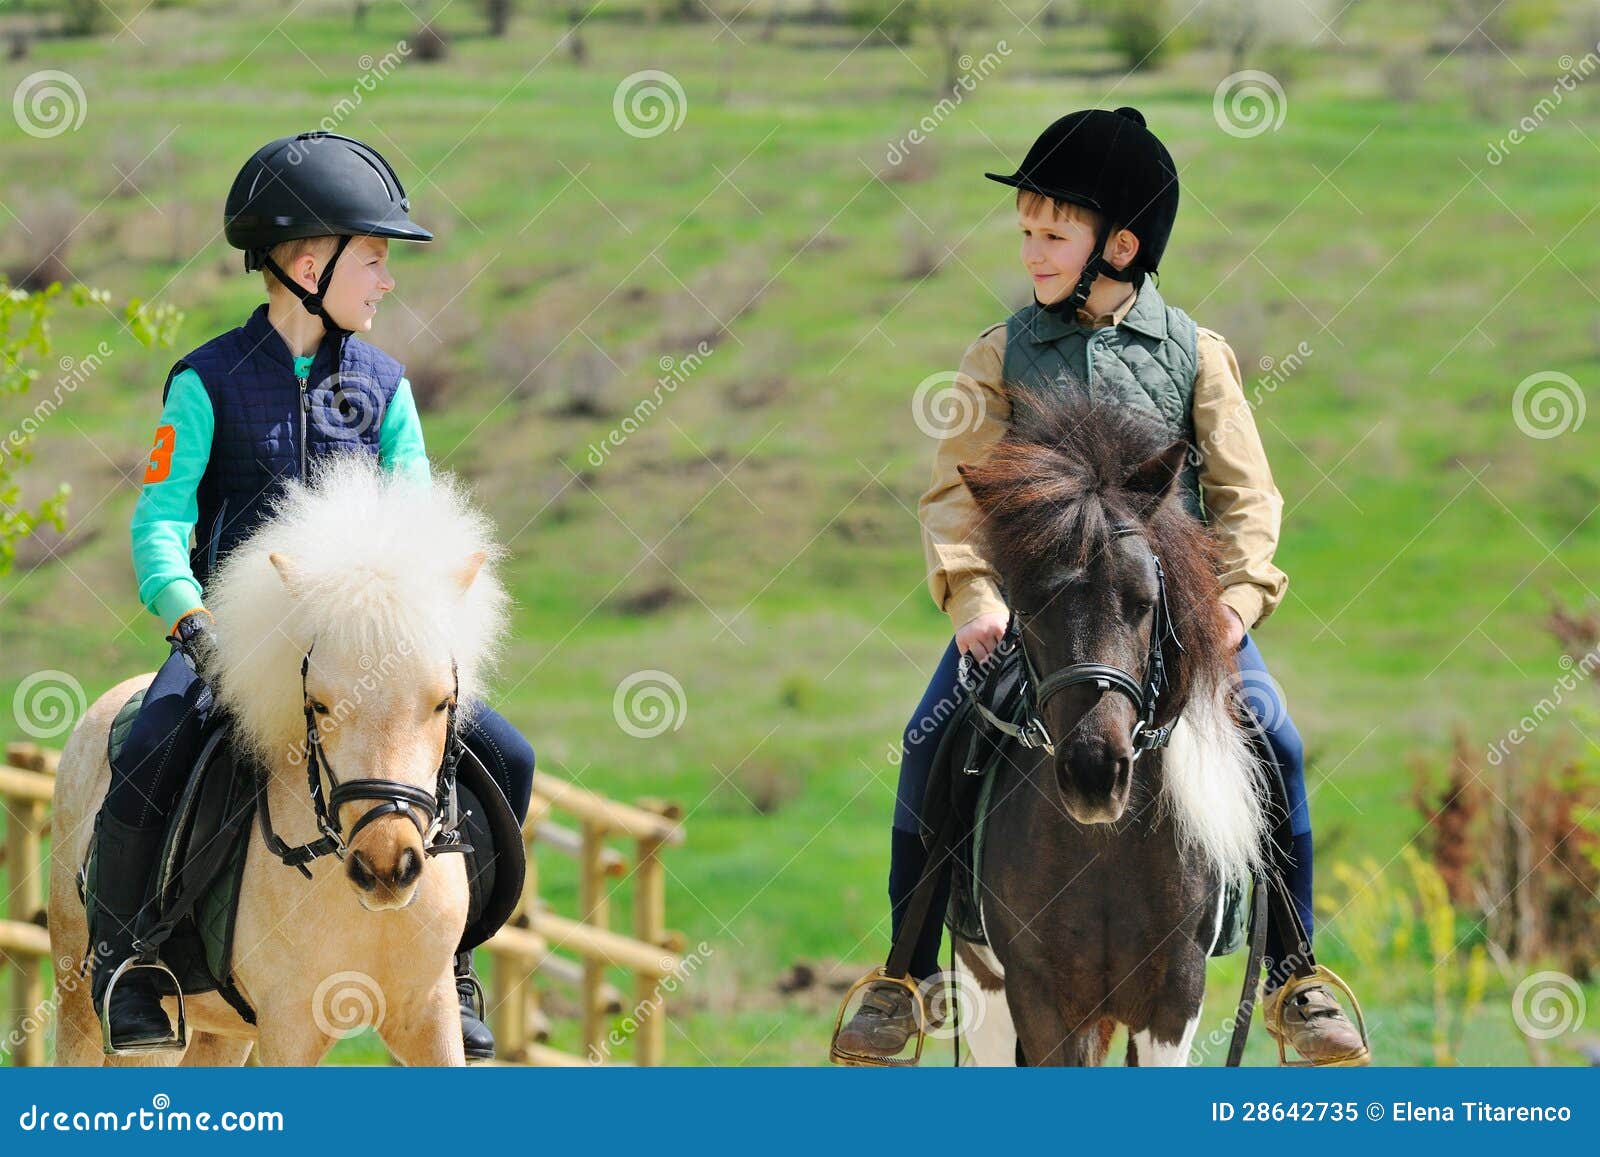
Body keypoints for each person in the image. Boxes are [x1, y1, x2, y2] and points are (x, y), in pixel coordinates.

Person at [836, 107, 1365, 1065]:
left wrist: (1235, 609)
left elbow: (1249, 502)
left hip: (1173, 621)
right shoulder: (1000, 353)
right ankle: (904, 975)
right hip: (1036, 623)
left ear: (1118, 243)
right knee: (929, 739)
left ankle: (1297, 976)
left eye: (1053, 233)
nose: (1032, 251)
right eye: (1027, 233)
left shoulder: (1197, 356)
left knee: (1277, 741)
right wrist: (975, 599)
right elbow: (953, 497)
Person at [93, 132, 534, 1061]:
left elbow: (418, 523)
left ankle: (448, 964)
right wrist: (191, 619)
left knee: (509, 757)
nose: (385, 281)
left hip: (364, 659)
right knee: (149, 746)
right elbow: (159, 523)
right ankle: (131, 961)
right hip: (234, 647)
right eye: (373, 260)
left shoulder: (386, 387)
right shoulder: (204, 382)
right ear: (307, 262)